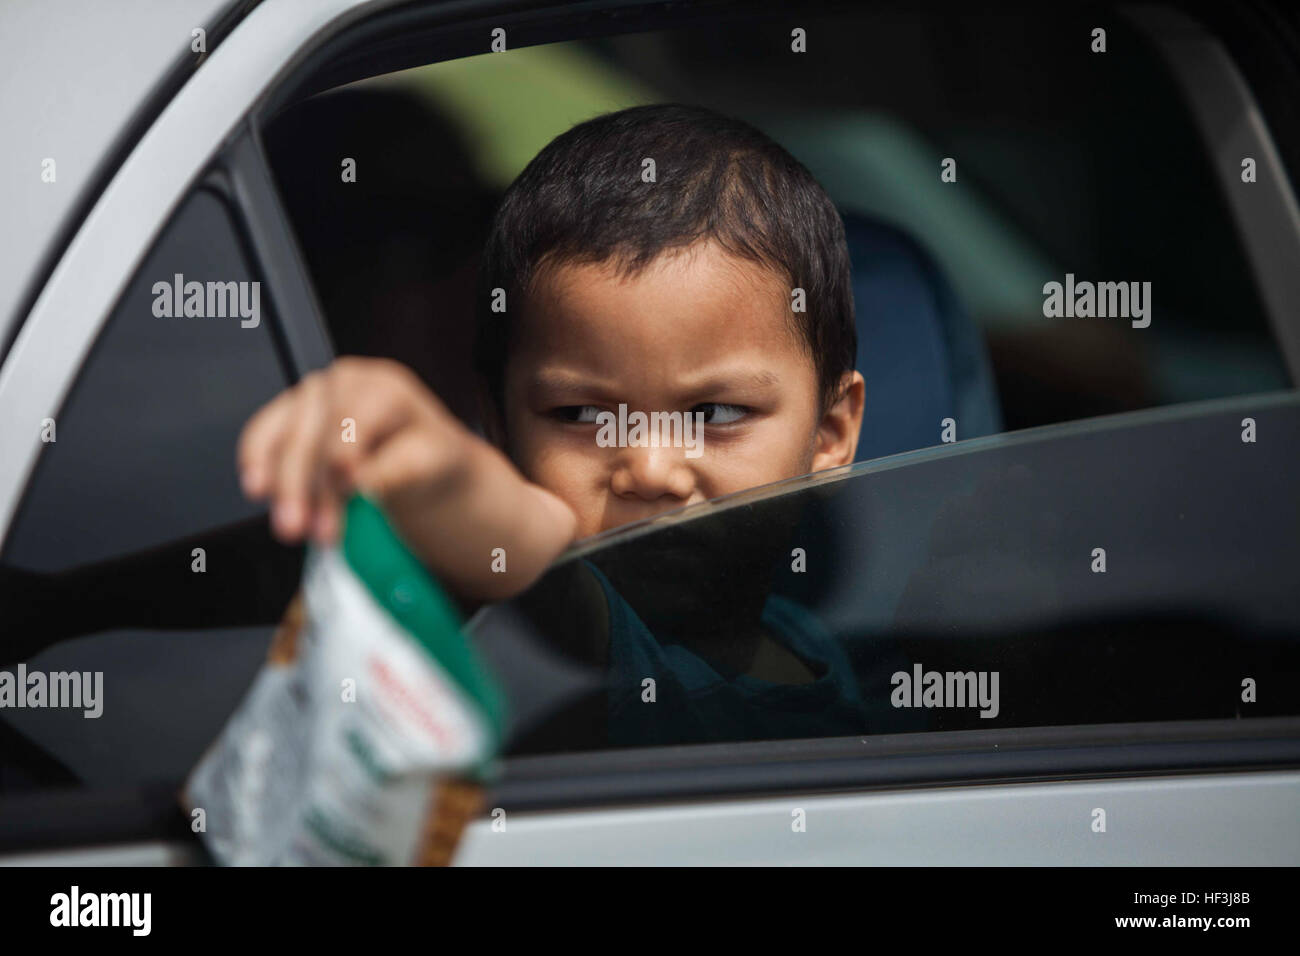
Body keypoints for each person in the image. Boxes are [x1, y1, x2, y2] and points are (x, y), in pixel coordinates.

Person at [239, 103, 869, 744]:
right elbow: (523, 545)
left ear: (830, 434)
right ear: (501, 430)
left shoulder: (819, 645)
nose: (649, 470)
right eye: (582, 415)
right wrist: (425, 455)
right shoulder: (607, 644)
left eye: (716, 413)